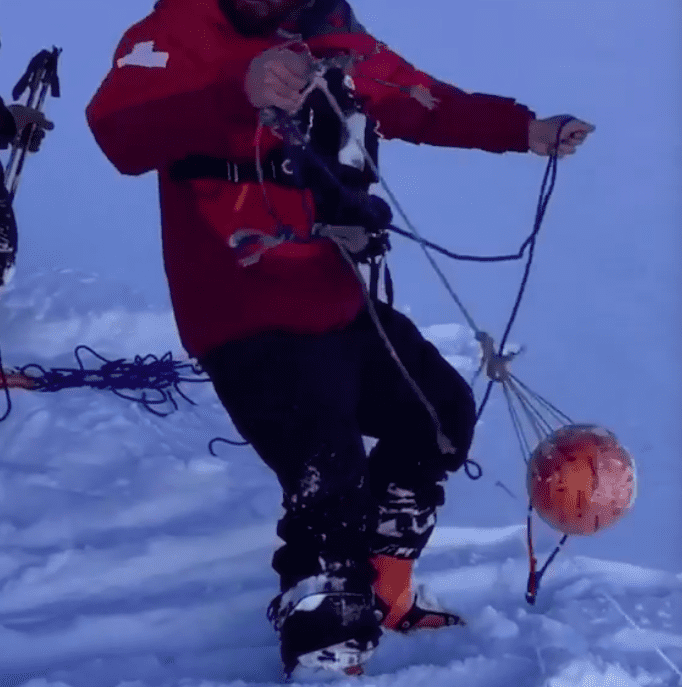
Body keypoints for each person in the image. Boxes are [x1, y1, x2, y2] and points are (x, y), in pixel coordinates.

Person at [84, 0, 594, 676]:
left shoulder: (324, 30)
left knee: (436, 412)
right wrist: (234, 89)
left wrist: (523, 129)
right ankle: (324, 640)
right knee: (329, 466)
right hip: (240, 306)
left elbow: (421, 101)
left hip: (334, 294)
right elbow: (118, 132)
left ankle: (384, 590)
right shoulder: (171, 33)